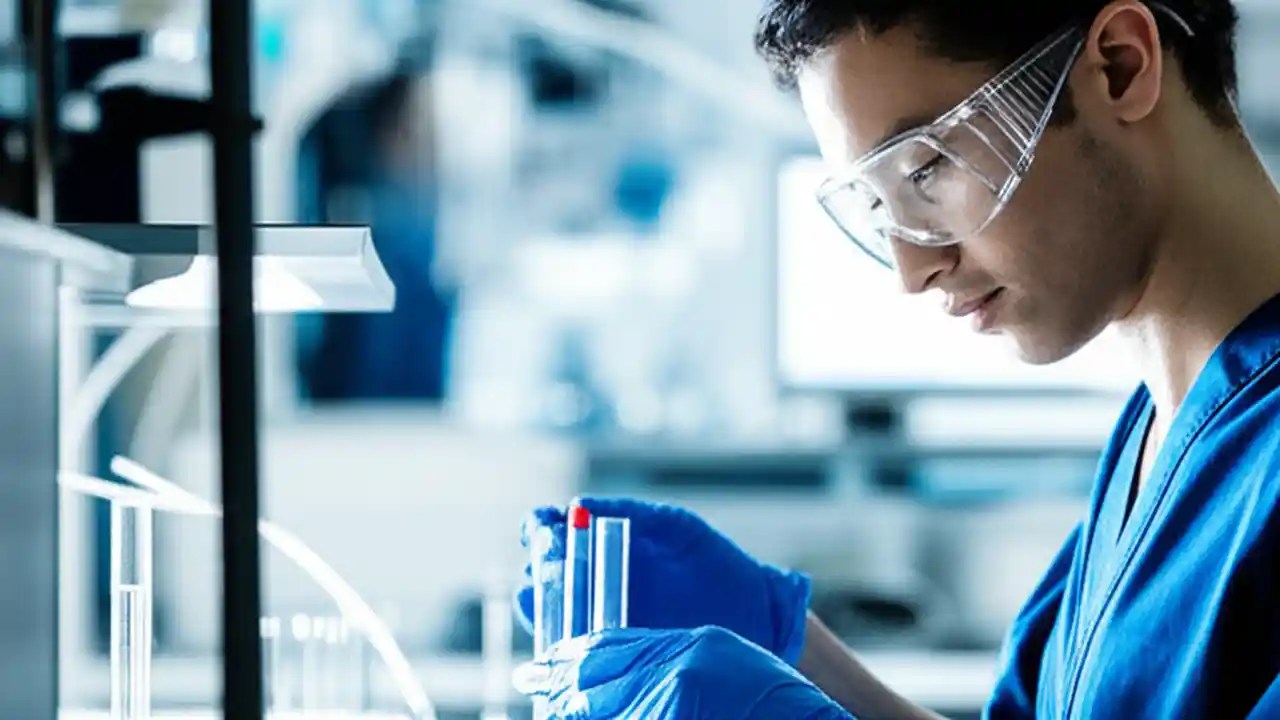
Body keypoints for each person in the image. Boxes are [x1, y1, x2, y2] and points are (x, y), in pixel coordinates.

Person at [518, 0, 1280, 716]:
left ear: (1119, 66)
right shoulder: (1159, 436)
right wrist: (795, 649)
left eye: (926, 169)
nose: (914, 271)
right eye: (878, 204)